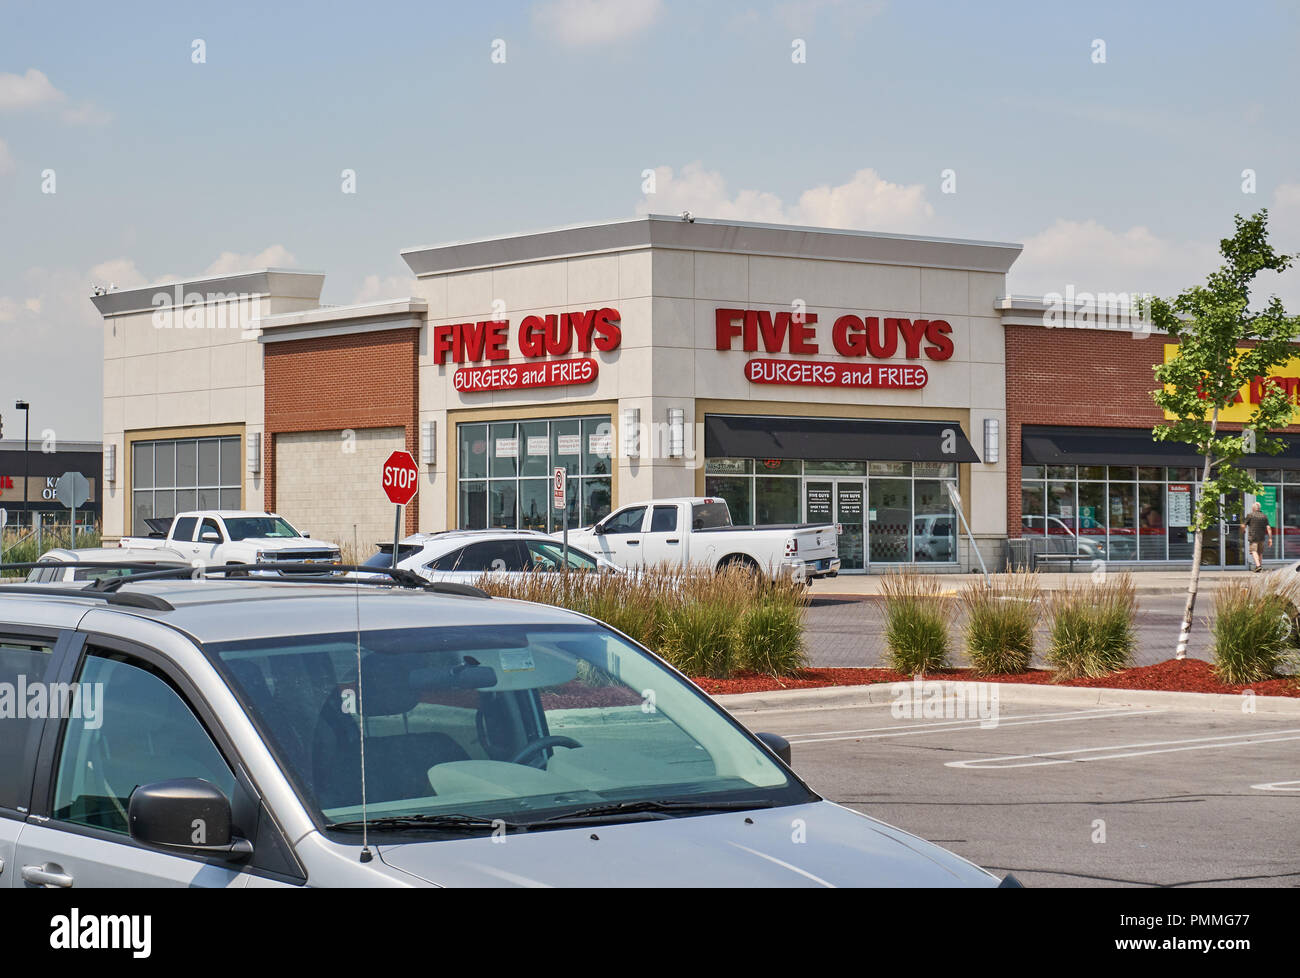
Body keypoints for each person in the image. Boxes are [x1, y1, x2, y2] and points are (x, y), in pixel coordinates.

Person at [1242, 501, 1273, 572]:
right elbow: (1268, 527)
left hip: (1253, 537)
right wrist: (1270, 538)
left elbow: (1244, 525)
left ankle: (1258, 566)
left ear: (1253, 508)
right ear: (1259, 508)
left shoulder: (1250, 515)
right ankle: (1259, 567)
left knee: (1253, 551)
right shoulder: (1264, 516)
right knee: (1260, 552)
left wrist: (1243, 530)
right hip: (1261, 537)